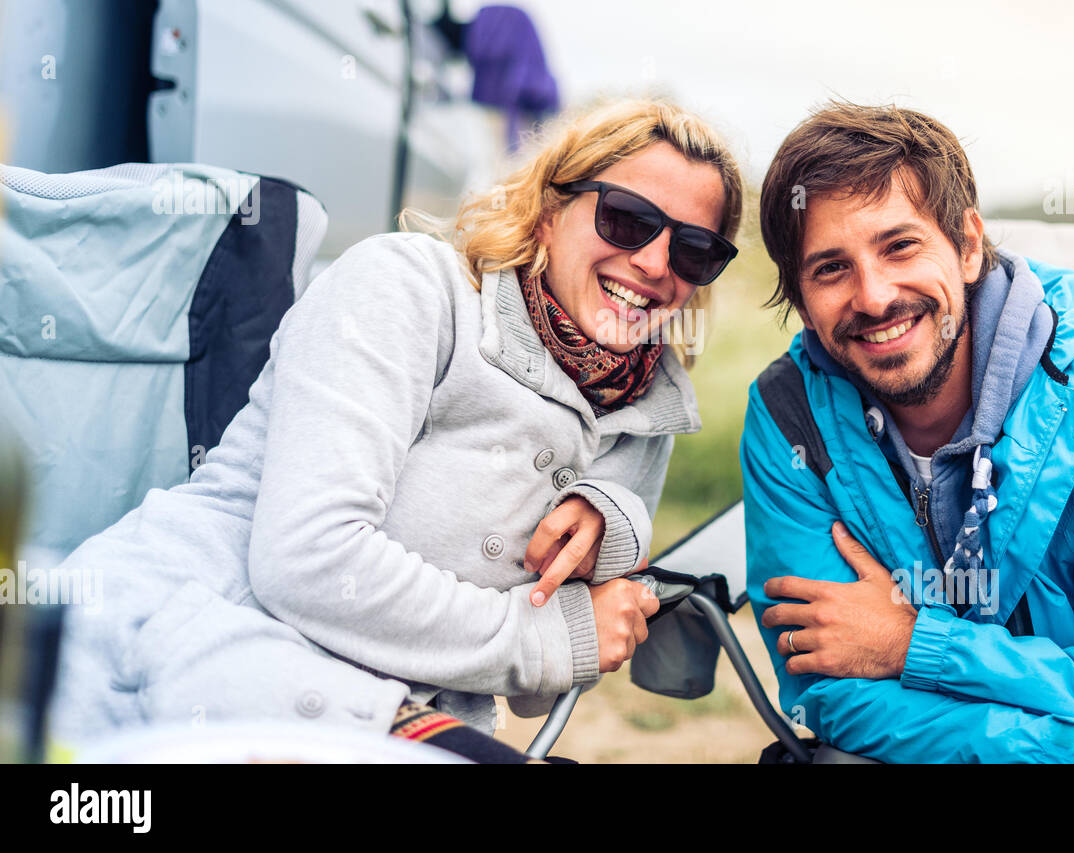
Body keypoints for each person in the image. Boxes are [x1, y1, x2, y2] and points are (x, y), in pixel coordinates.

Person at [48, 99, 743, 761]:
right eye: (627, 219)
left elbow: (534, 691)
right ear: (547, 214)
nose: (656, 264)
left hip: (387, 713)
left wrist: (615, 535)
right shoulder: (408, 287)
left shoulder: (644, 411)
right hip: (197, 648)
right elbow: (309, 561)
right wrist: (548, 633)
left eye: (694, 250)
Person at [741, 102, 1074, 764]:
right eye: (831, 268)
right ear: (802, 303)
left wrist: (916, 644)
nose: (873, 296)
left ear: (968, 245)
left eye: (900, 246)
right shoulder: (788, 418)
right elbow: (829, 689)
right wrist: (1070, 753)